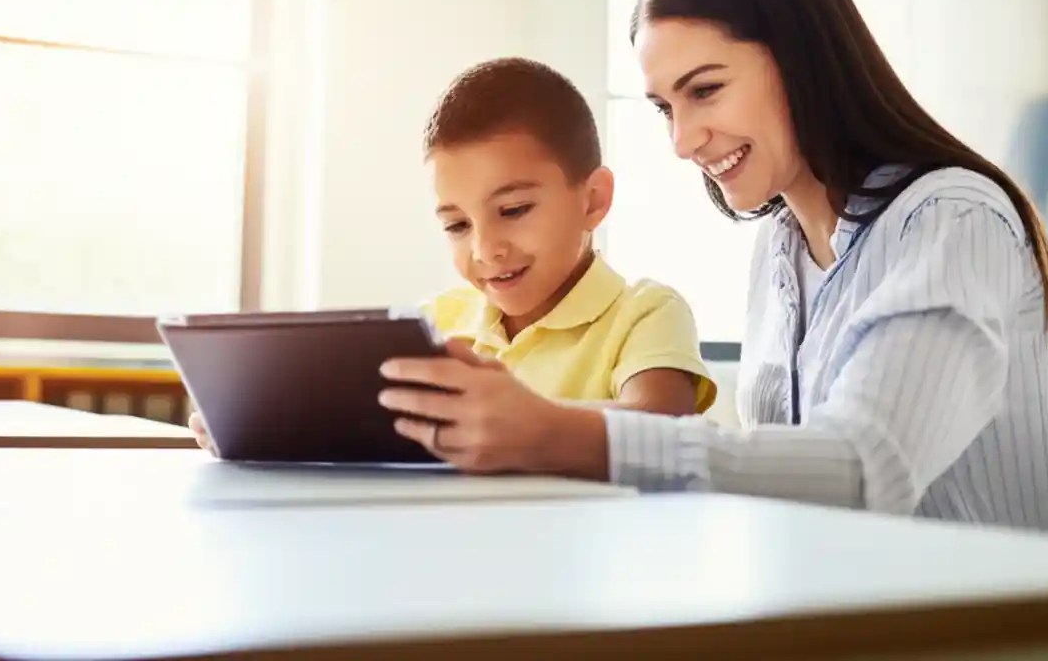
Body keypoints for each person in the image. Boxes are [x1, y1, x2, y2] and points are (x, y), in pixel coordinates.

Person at [378, 0, 1048, 533]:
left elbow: (862, 469)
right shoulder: (779, 251)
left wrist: (554, 432)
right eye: (665, 108)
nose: (683, 142)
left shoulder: (953, 220)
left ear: (801, 57)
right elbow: (783, 480)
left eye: (705, 91)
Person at [191, 58, 716, 454]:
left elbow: (660, 428)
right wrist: (264, 432)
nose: (486, 249)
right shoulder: (437, 324)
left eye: (513, 209)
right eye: (457, 225)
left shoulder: (646, 312)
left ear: (593, 200)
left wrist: (519, 420)